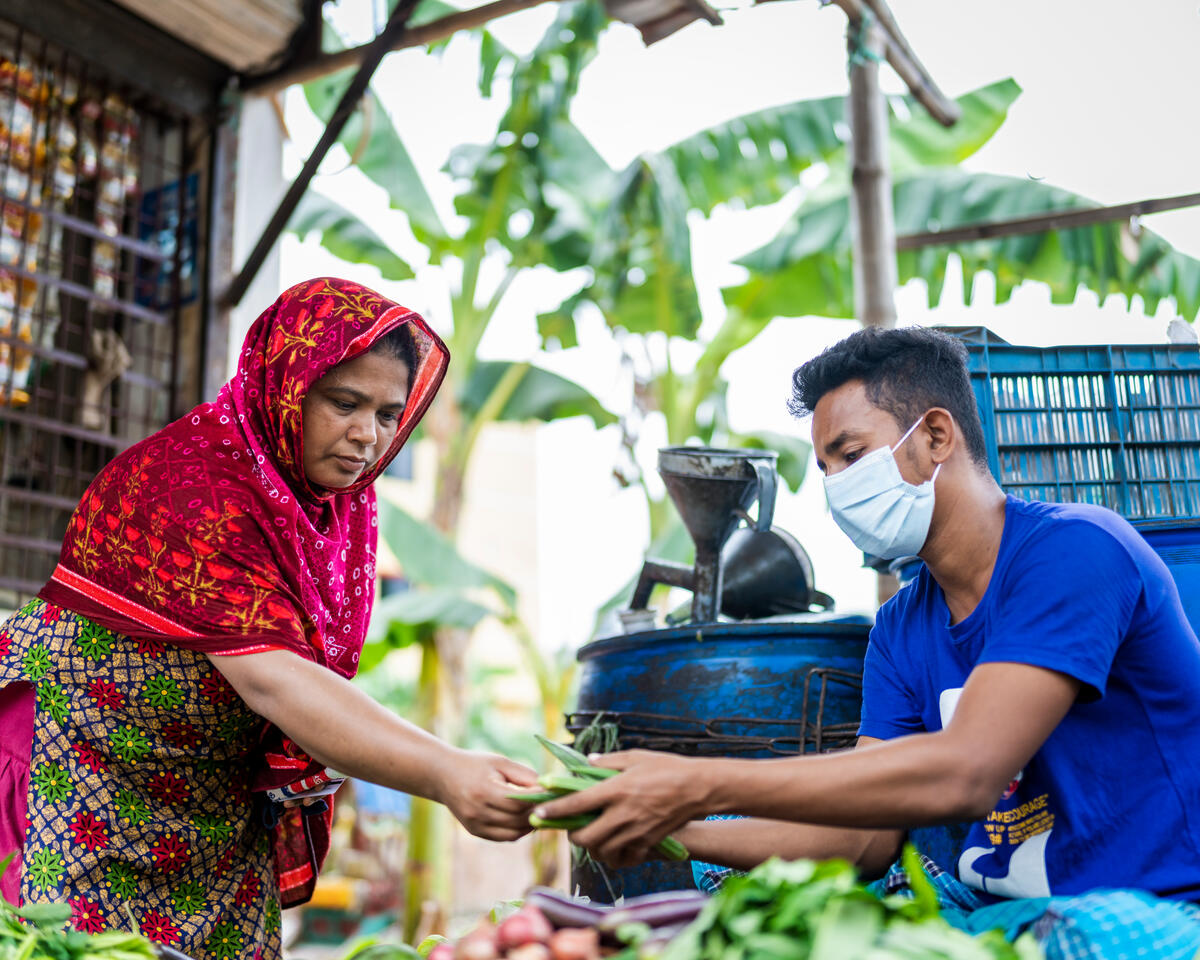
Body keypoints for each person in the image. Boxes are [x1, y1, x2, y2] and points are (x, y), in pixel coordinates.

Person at [541, 327, 1200, 957]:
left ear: (936, 435)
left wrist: (698, 784)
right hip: (996, 915)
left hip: (1153, 910)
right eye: (826, 469)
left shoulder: (1076, 552)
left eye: (851, 457)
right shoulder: (901, 628)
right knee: (766, 904)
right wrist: (674, 830)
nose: (837, 489)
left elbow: (967, 771)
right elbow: (862, 840)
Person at [0, 278, 537, 958]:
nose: (366, 435)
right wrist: (446, 771)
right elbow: (276, 681)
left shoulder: (340, 512)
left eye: (387, 414)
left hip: (208, 811)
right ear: (286, 384)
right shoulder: (191, 482)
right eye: (345, 403)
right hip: (75, 780)